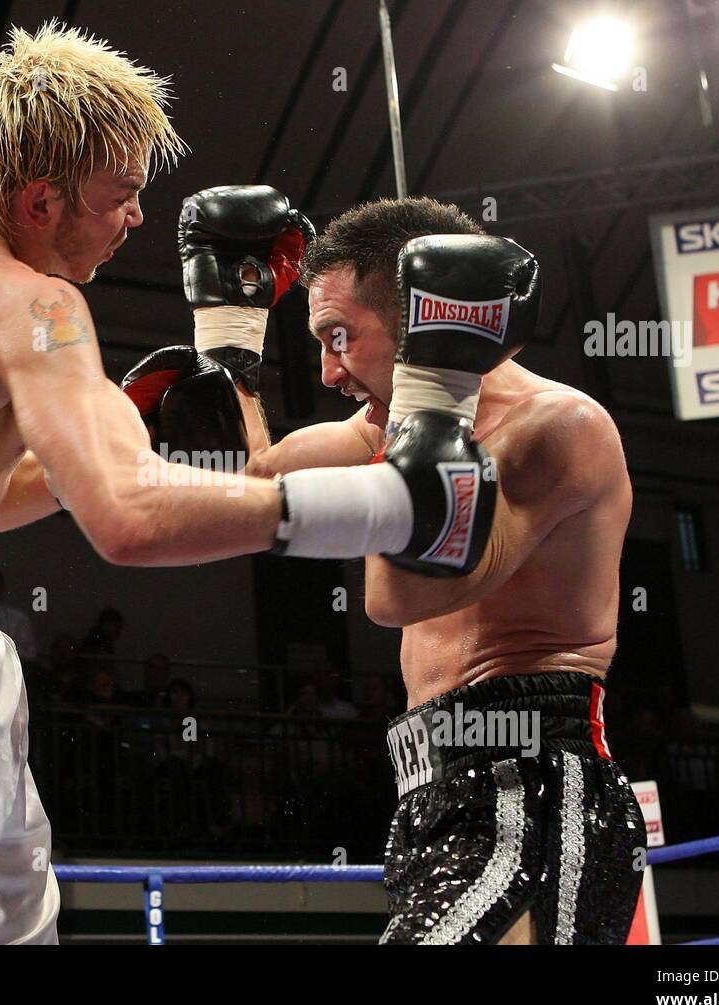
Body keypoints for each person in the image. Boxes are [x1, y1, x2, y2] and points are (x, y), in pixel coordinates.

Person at [0, 25, 465, 945]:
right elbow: (128, 519)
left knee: (10, 928)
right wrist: (392, 504)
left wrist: (107, 426)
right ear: (43, 198)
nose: (134, 219)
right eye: (120, 195)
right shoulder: (37, 303)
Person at [244, 197, 645, 944]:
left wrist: (428, 408)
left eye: (340, 337)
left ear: (423, 320)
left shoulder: (559, 430)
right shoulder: (380, 426)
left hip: (531, 782)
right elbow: (248, 479)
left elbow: (398, 596)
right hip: (431, 791)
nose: (328, 372)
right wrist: (229, 331)